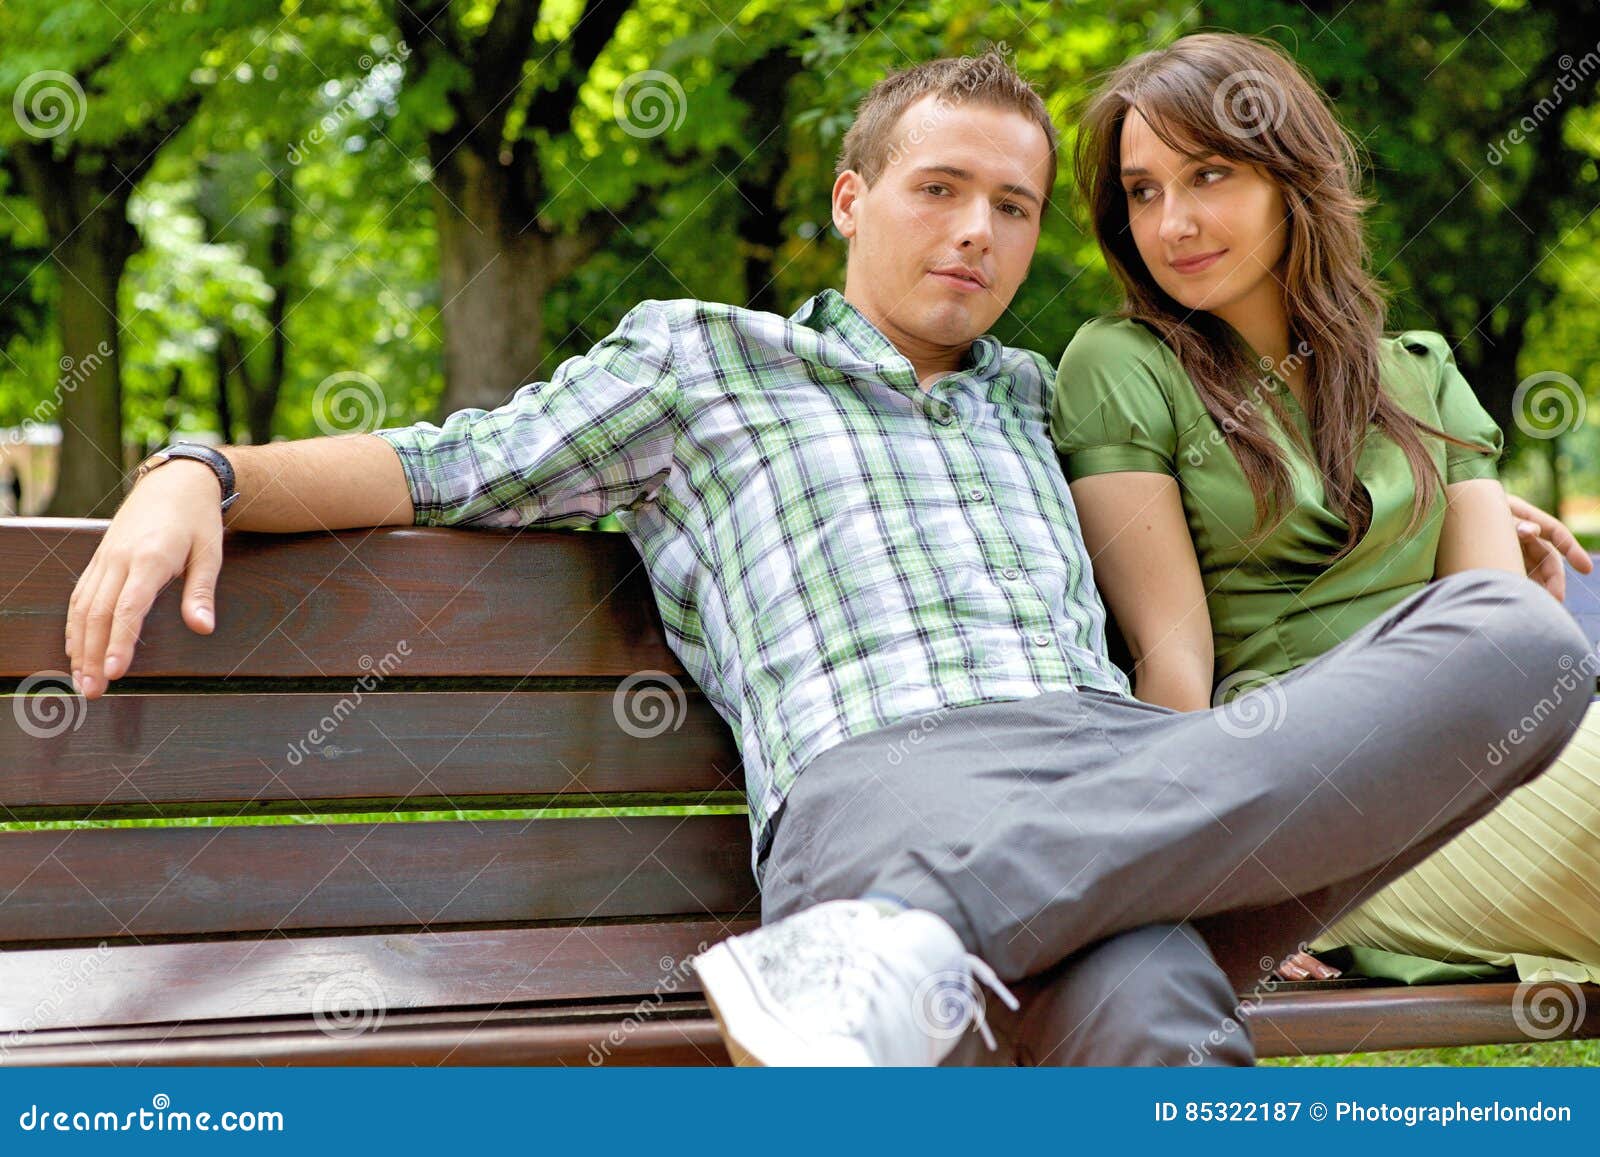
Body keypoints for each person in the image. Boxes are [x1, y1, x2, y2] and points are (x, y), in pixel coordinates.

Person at [65, 50, 1590, 1068]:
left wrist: (1453, 514)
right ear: (853, 199)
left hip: (1111, 778)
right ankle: (916, 927)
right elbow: (443, 459)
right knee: (1151, 1029)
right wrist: (197, 469)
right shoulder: (700, 362)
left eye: (1016, 207)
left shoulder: (1044, 393)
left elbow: (1256, 579)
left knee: (1527, 646)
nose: (979, 233)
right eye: (940, 190)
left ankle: (906, 944)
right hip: (888, 778)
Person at [1054, 31, 1600, 989]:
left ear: (1289, 180)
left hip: (1483, 763)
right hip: (1317, 810)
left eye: (1209, 174)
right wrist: (1201, 895)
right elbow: (1175, 661)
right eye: (1143, 192)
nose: (1172, 220)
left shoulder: (1421, 375)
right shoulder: (1122, 368)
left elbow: (1494, 642)